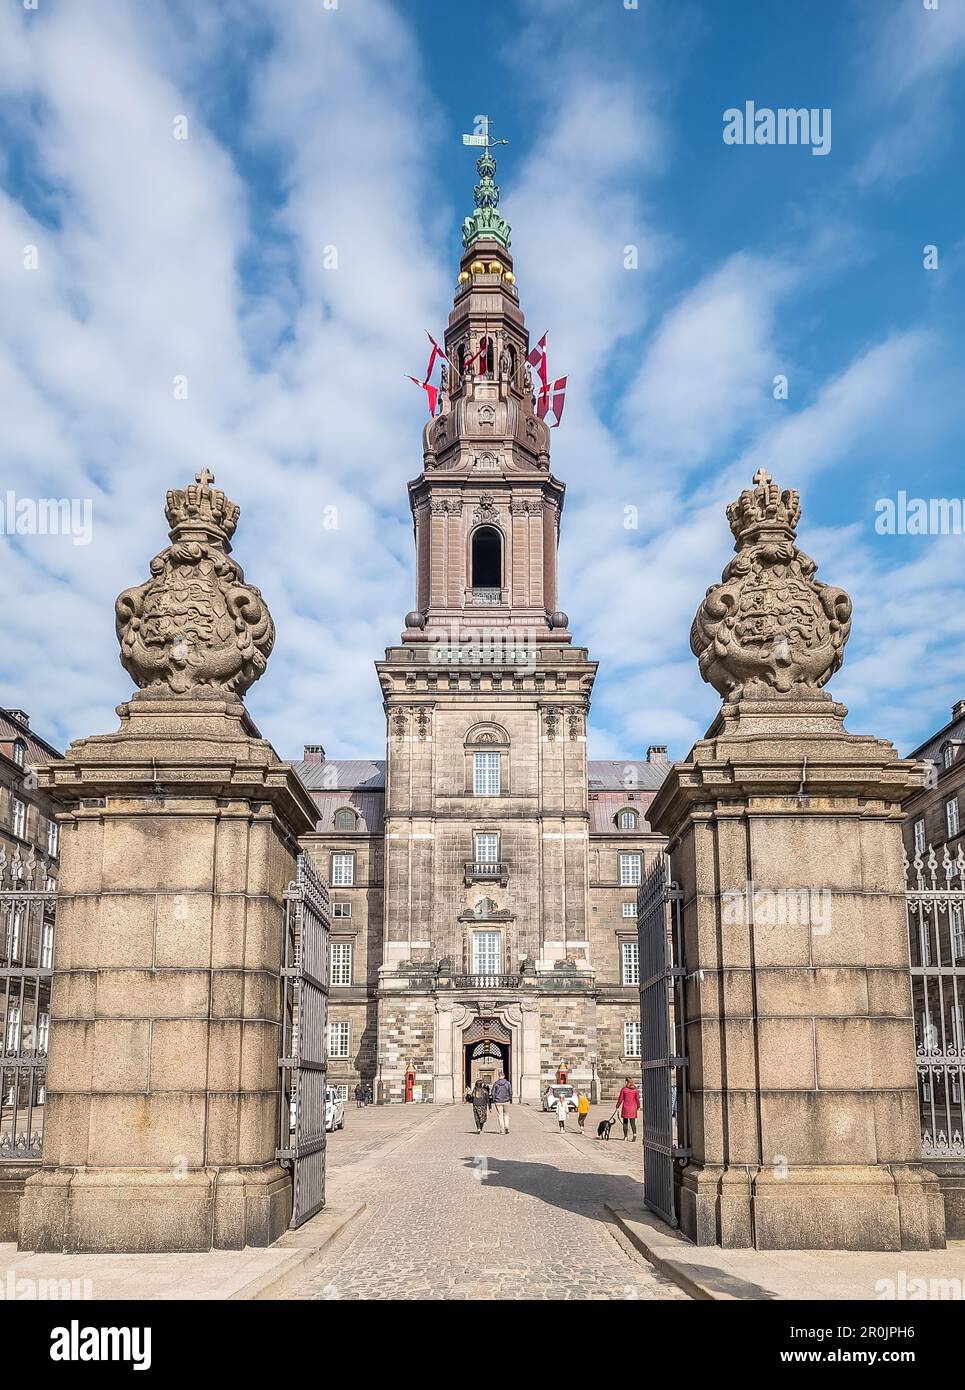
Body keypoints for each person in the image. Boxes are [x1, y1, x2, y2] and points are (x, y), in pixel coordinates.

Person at [616, 1076, 641, 1140]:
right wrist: (638, 1106)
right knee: (633, 1123)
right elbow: (637, 1099)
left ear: (626, 1081)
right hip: (633, 1108)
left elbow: (620, 1099)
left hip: (626, 1108)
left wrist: (617, 1106)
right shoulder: (635, 1090)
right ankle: (634, 1135)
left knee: (625, 1122)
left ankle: (625, 1137)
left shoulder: (624, 1089)